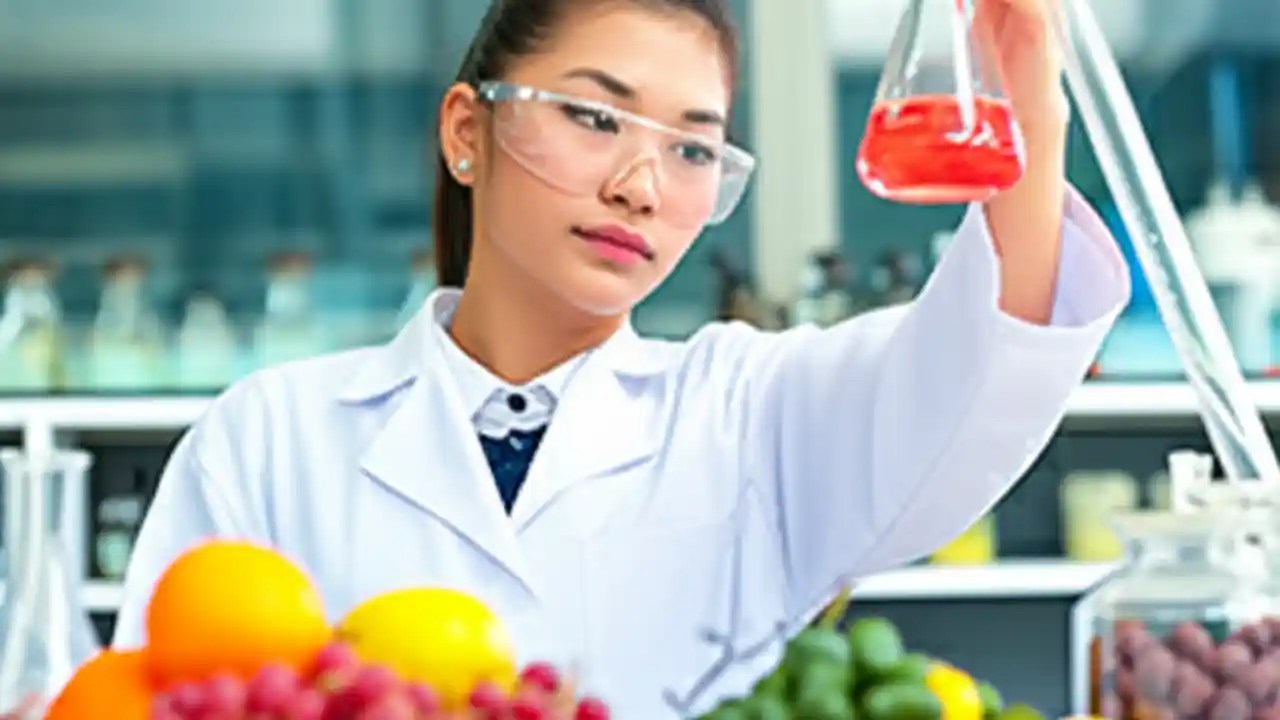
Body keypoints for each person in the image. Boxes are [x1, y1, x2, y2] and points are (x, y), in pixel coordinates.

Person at [113, 0, 1130, 716]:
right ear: (467, 133)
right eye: (595, 118)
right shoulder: (269, 437)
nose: (642, 186)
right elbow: (149, 699)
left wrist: (1020, 69)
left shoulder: (749, 411)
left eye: (693, 148)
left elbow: (974, 369)